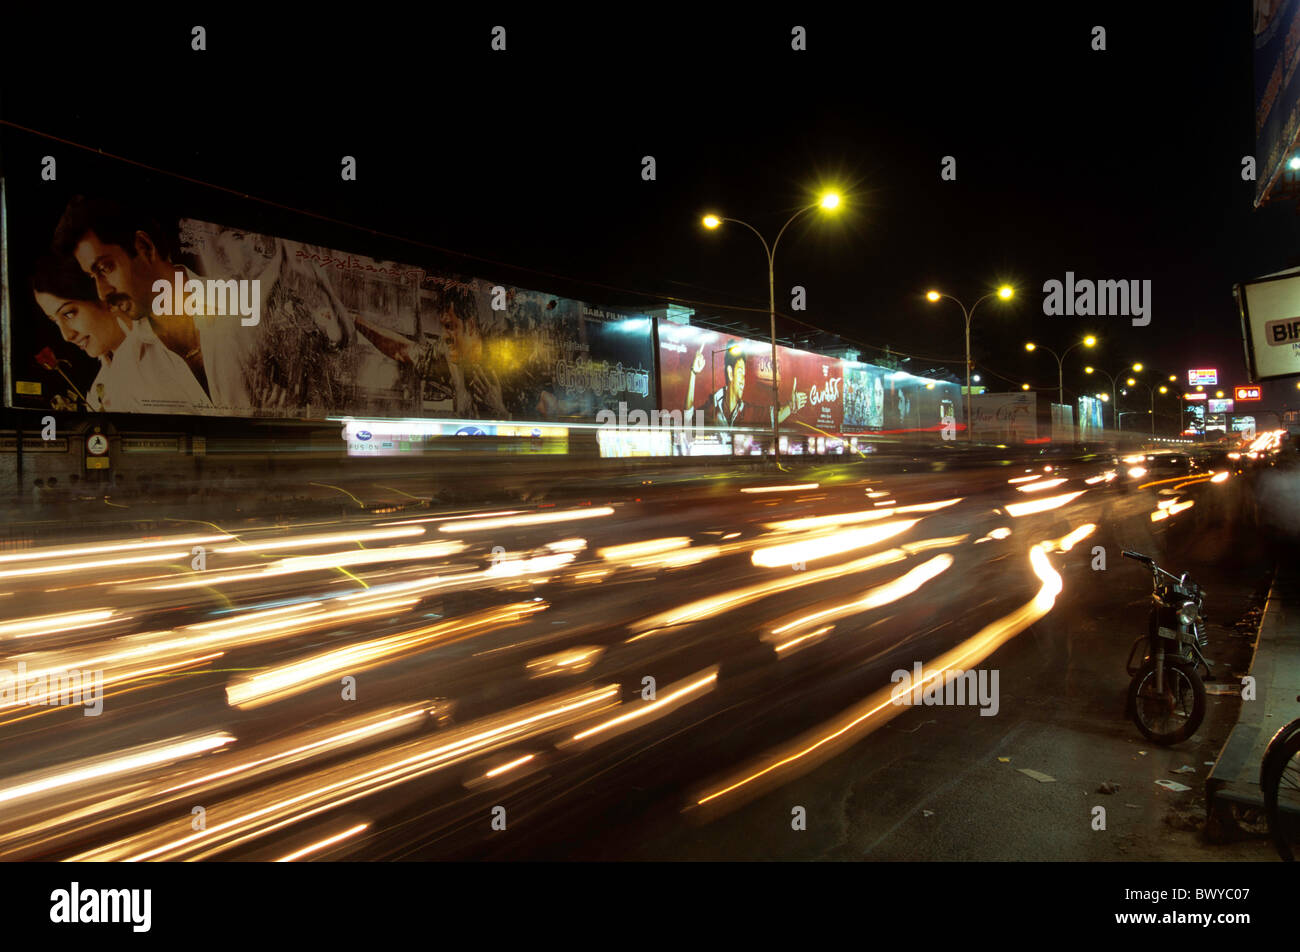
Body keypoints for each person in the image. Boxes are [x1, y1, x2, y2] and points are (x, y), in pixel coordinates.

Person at [53, 197, 249, 412]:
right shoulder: (127, 372)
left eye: (104, 268)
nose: (102, 293)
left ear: (145, 247)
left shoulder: (246, 304)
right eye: (93, 277)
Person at [30, 254, 213, 414]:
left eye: (69, 313)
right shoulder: (99, 394)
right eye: (55, 321)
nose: (66, 335)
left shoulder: (173, 338)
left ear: (100, 295)